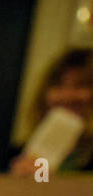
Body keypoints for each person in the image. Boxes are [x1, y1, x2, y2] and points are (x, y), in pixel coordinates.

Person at [9, 48, 93, 176]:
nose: (66, 96)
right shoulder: (24, 150)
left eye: (81, 85)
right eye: (58, 85)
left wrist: (54, 185)